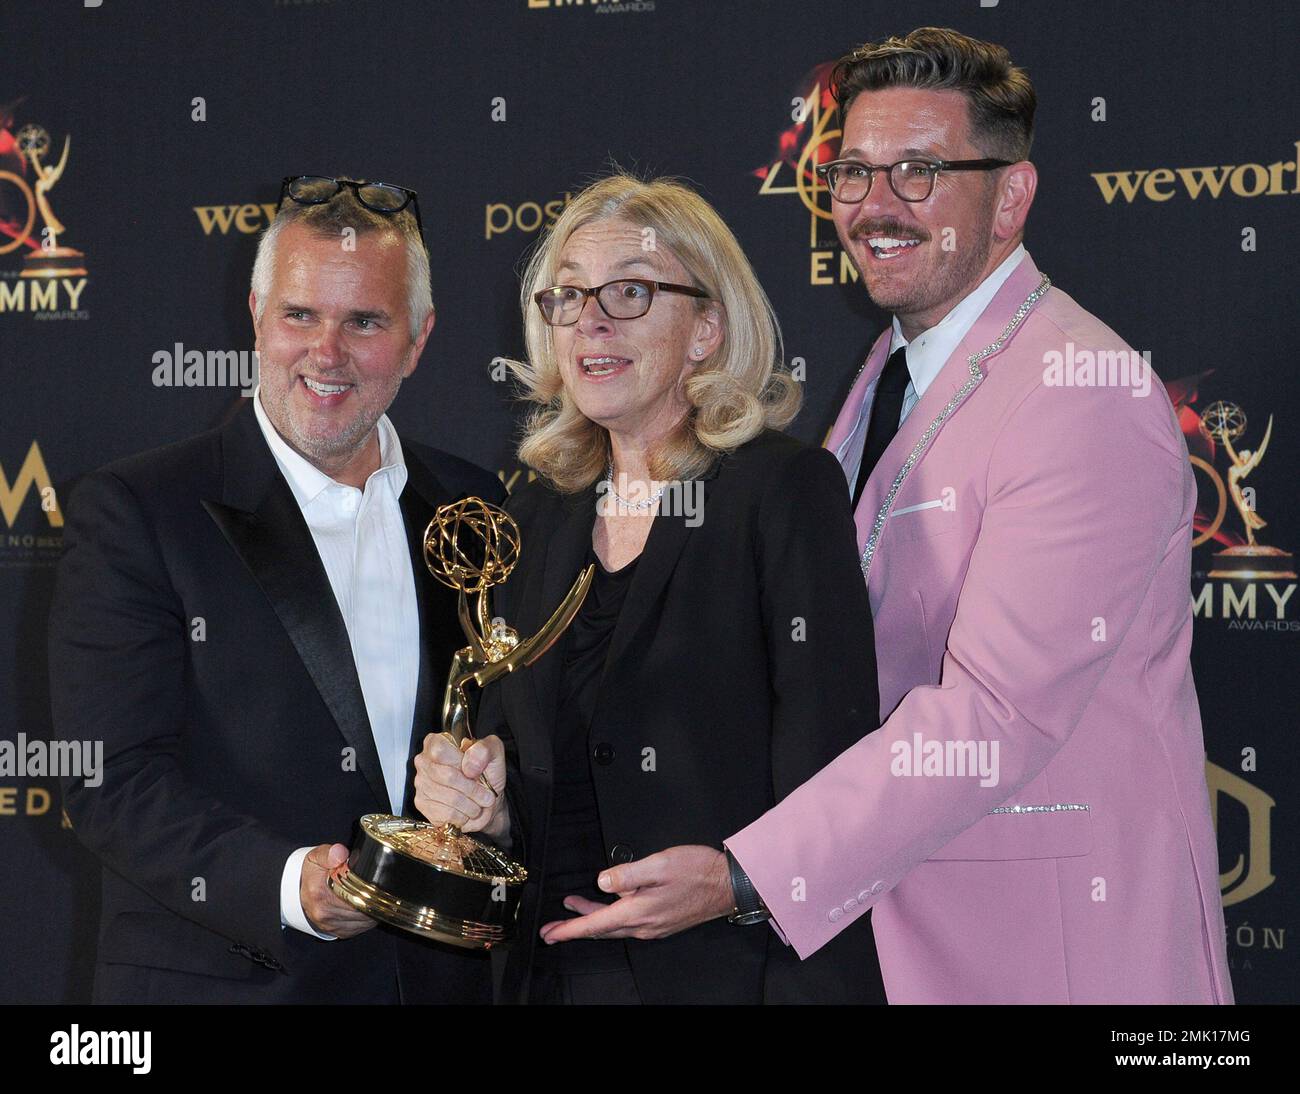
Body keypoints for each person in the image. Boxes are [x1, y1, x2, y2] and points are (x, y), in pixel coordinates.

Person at [546, 29, 1235, 1005]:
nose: (874, 207)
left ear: (1012, 197)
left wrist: (747, 869)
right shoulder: (886, 374)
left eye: (918, 172)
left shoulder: (1084, 391)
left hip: (1057, 957)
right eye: (853, 173)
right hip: (901, 942)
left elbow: (995, 717)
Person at [412, 171, 886, 1005]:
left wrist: (739, 883)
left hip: (729, 976)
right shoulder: (536, 512)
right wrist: (482, 805)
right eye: (567, 298)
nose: (590, 319)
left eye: (629, 293)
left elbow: (832, 769)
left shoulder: (781, 490)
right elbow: (529, 777)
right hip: (550, 976)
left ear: (707, 327)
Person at [48, 175, 503, 1003]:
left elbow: (514, 733)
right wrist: (294, 886)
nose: (326, 354)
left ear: (418, 338)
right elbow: (109, 777)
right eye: (301, 315)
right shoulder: (140, 510)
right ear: (257, 315)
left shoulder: (476, 507)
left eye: (364, 321)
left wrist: (497, 803)